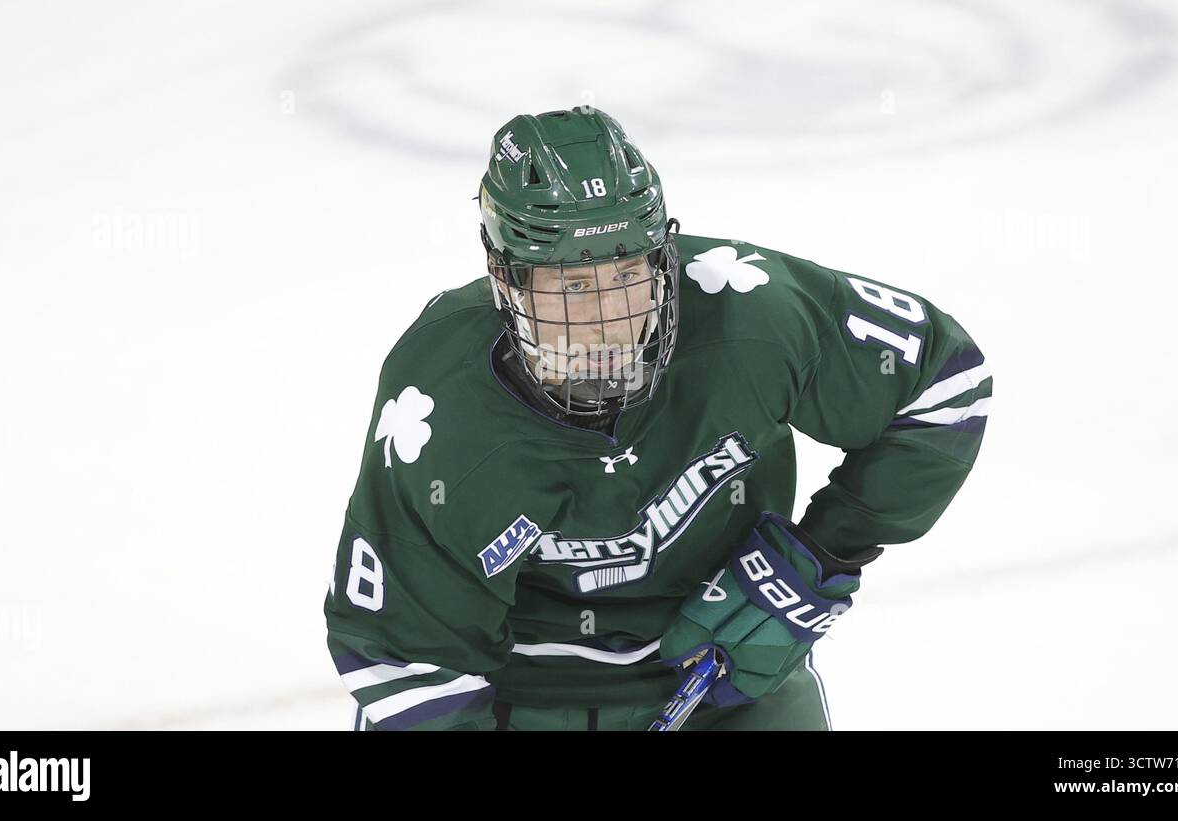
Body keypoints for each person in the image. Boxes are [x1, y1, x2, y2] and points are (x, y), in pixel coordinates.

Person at [323, 107, 991, 731]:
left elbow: (944, 382)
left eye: (626, 275)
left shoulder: (747, 312)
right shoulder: (438, 410)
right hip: (519, 695)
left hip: (726, 664)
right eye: (575, 287)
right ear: (507, 280)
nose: (609, 318)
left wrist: (823, 551)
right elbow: (404, 655)